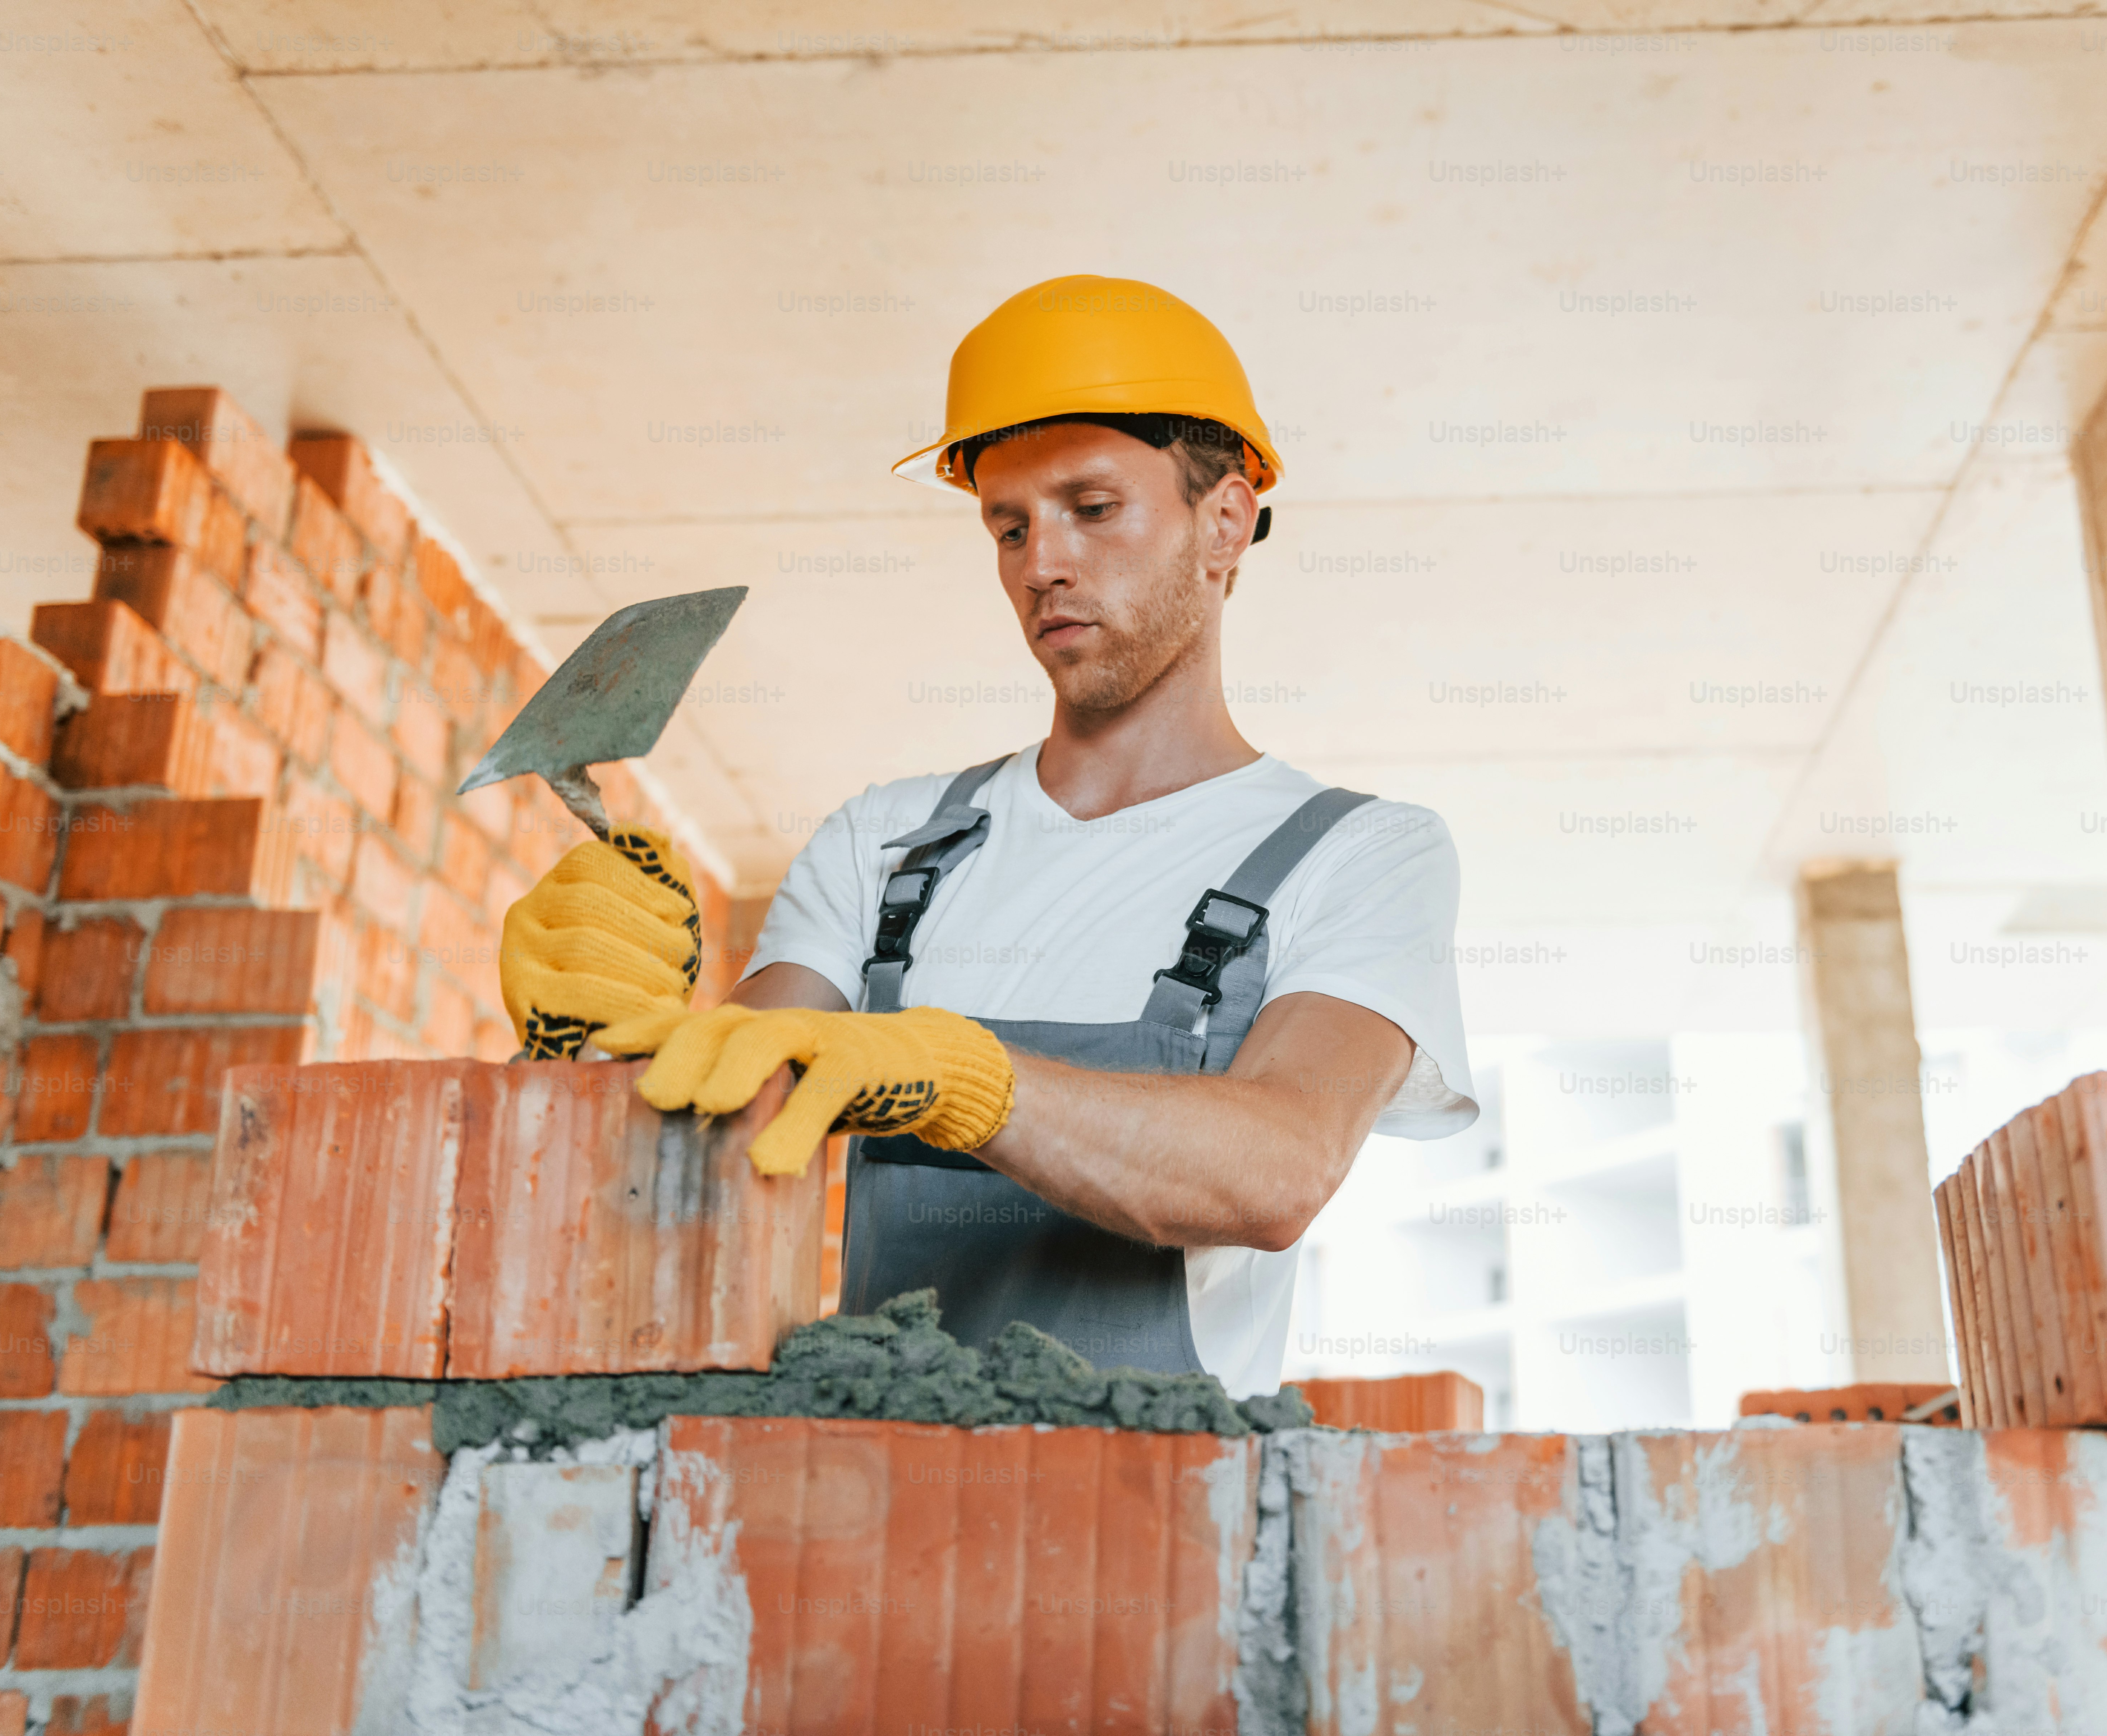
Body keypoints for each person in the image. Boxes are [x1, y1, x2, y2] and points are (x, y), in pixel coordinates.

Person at [497, 275, 1475, 1397]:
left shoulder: (1358, 853)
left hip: (1160, 1522)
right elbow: (695, 1151)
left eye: (1091, 509)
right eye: (1008, 526)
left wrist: (965, 1079)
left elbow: (1279, 1168)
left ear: (1227, 518)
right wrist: (599, 1050)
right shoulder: (887, 842)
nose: (1039, 564)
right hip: (857, 1497)